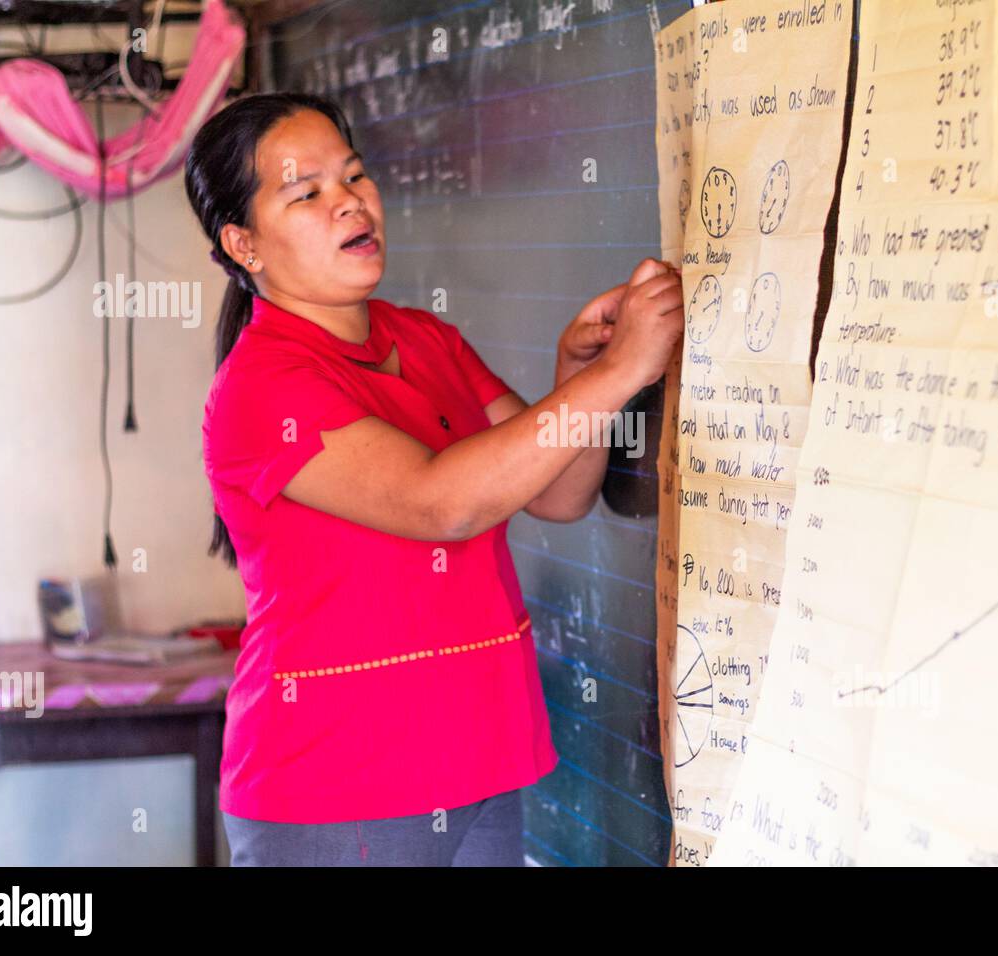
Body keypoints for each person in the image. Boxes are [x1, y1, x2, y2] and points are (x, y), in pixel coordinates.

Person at [182, 92, 684, 866]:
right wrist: (618, 377)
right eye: (307, 192)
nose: (349, 201)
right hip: (342, 784)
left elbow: (554, 492)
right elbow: (441, 502)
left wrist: (578, 374)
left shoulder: (423, 337)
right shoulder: (263, 388)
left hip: (482, 759)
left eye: (353, 176)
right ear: (244, 244)